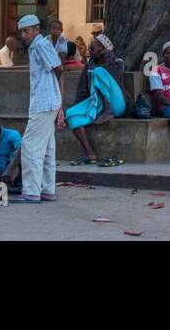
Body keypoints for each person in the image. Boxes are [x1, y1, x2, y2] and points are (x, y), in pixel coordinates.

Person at [14, 13, 64, 203]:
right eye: (22, 32)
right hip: (47, 102)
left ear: (36, 30)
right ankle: (47, 189)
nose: (24, 35)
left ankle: (32, 191)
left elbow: (58, 68)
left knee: (30, 146)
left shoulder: (42, 44)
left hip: (44, 103)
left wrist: (55, 96)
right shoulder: (36, 46)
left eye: (26, 31)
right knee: (48, 147)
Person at [66, 33, 125, 167]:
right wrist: (78, 105)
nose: (89, 51)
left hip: (116, 103)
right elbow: (82, 89)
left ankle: (107, 110)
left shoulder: (115, 62)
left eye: (92, 48)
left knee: (98, 72)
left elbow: (116, 85)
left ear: (102, 49)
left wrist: (104, 59)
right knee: (71, 114)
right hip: (96, 103)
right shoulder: (89, 64)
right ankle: (90, 153)